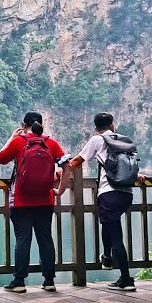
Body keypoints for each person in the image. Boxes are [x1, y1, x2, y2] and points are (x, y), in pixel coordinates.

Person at [57, 112, 139, 291]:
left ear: (96, 128)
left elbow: (77, 161)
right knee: (109, 226)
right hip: (126, 193)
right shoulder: (124, 140)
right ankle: (107, 258)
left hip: (108, 193)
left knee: (115, 234)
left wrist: (61, 172)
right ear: (112, 125)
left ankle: (125, 278)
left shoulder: (97, 140)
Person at [0, 112, 65, 292]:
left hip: (21, 201)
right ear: (42, 125)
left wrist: (12, 137)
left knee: (22, 239)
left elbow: (1, 158)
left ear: (23, 124)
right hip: (46, 199)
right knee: (45, 239)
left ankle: (19, 282)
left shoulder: (19, 142)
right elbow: (67, 165)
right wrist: (60, 187)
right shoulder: (51, 143)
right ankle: (49, 280)